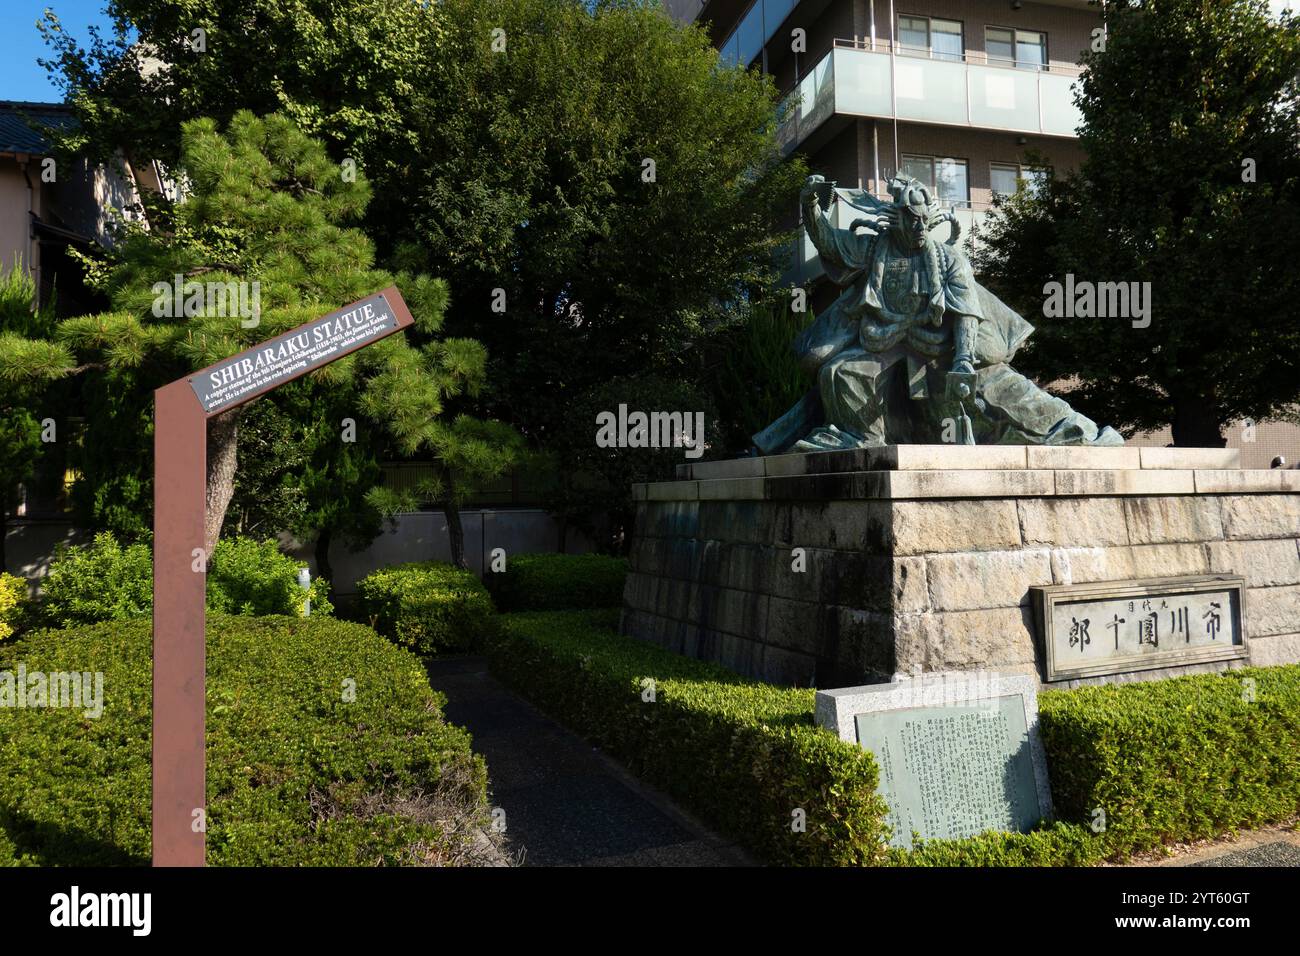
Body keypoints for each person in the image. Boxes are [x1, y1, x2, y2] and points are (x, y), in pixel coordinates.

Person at [755, 173, 1123, 452]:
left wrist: (963, 359)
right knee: (840, 373)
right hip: (884, 344)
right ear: (895, 218)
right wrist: (810, 207)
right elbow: (831, 243)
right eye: (910, 219)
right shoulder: (874, 250)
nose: (918, 227)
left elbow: (966, 313)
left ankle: (1075, 431)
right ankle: (860, 440)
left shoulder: (949, 259)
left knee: (1001, 391)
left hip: (941, 347)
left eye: (922, 220)